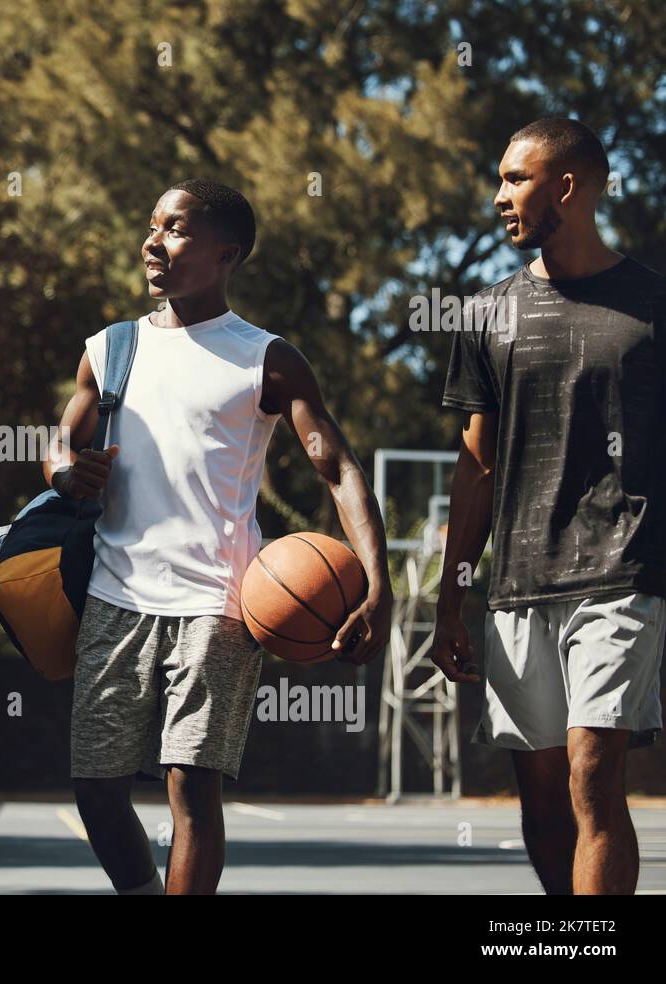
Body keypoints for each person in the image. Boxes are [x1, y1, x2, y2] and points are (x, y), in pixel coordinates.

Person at [45, 178, 392, 894]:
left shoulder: (266, 358)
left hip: (221, 603)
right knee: (96, 788)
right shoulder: (111, 348)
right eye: (152, 226)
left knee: (191, 788)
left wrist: (378, 583)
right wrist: (63, 473)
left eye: (175, 230)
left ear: (226, 252)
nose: (153, 241)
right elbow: (59, 441)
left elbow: (340, 470)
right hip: (115, 592)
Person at [433, 117, 665, 895]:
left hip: (623, 573)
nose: (499, 197)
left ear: (566, 185)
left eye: (514, 179)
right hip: (518, 584)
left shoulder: (653, 308)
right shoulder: (485, 314)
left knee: (594, 776)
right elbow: (476, 469)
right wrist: (448, 601)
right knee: (541, 800)